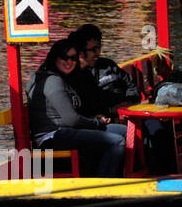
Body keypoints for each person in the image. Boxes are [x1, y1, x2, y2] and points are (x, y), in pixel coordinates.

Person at [27, 39, 127, 177]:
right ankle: (101, 187)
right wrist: (97, 123)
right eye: (64, 57)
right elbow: (72, 119)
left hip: (66, 131)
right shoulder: (52, 81)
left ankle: (123, 176)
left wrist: (94, 120)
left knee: (125, 132)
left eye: (73, 58)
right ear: (55, 57)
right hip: (52, 137)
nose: (69, 62)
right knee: (117, 142)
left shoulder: (62, 78)